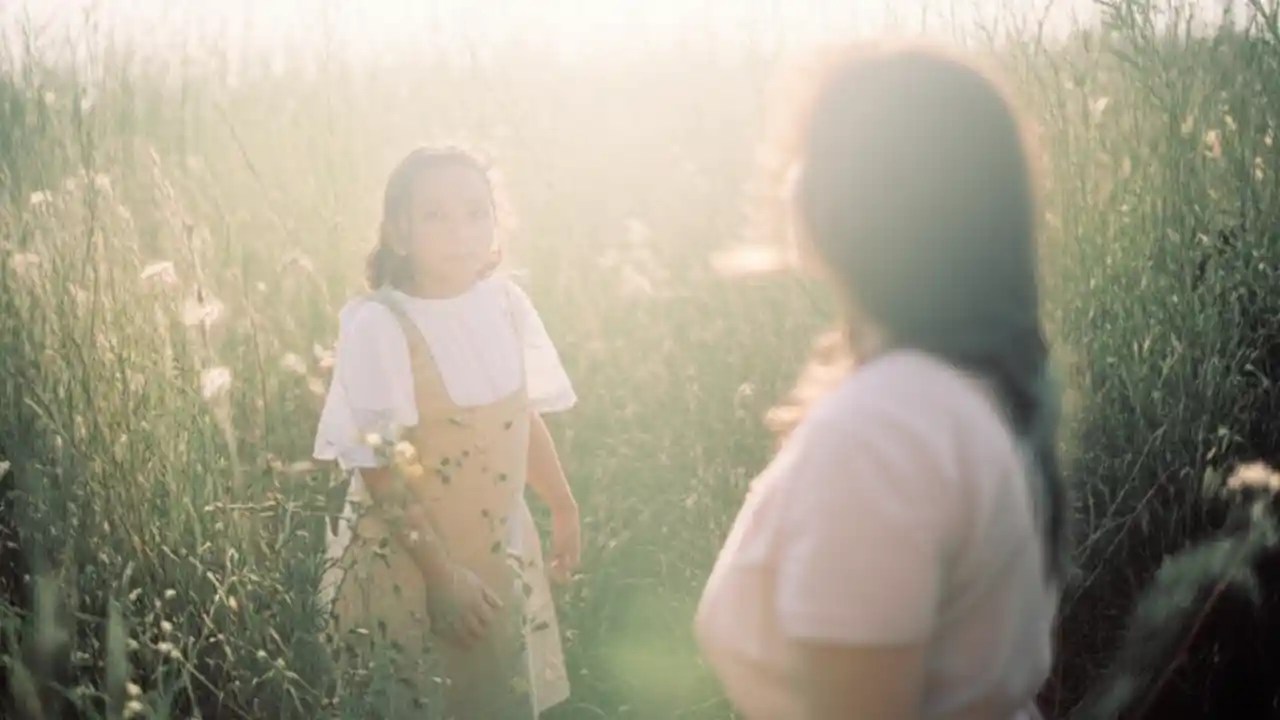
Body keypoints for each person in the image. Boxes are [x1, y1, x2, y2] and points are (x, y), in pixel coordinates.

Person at [695, 42, 1070, 720]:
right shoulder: (961, 385)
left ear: (858, 194)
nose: (786, 175)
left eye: (809, 147)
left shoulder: (881, 431)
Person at [314, 146, 581, 718]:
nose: (461, 231)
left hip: (495, 550)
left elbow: (519, 416)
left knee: (493, 695)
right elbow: (380, 466)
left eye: (475, 212)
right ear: (399, 232)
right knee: (424, 697)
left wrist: (561, 503)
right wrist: (442, 580)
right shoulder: (382, 325)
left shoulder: (506, 305)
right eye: (435, 215)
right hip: (414, 566)